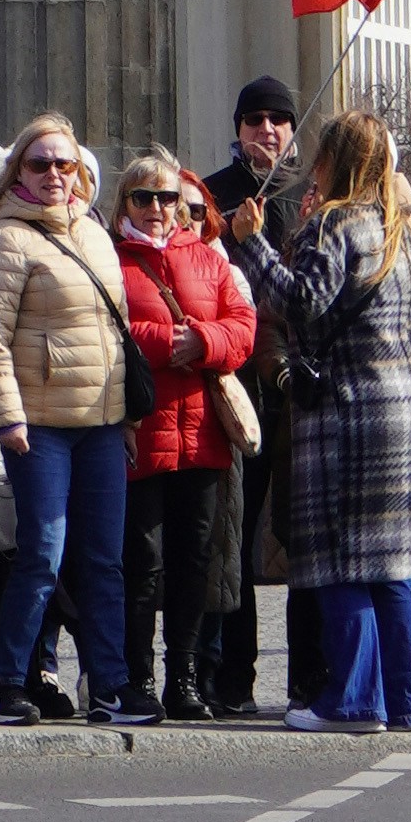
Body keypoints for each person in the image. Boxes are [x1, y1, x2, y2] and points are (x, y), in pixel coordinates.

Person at [233, 107, 411, 731]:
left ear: (332, 161)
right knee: (395, 564)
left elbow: (300, 303)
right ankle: (402, 703)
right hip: (408, 407)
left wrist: (251, 242)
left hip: (350, 410)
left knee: (342, 558)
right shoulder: (399, 231)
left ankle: (353, 702)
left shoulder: (338, 223)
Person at [0, 112, 136, 724]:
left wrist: (127, 418)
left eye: (65, 164)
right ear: (19, 171)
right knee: (42, 550)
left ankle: (112, 686)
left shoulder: (94, 233)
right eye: (40, 164)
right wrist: (7, 418)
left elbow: (111, 335)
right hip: (37, 423)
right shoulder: (4, 238)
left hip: (102, 420)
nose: (55, 175)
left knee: (103, 558)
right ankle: (5, 680)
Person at [114, 144, 257, 724]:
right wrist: (163, 341)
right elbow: (109, 328)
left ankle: (186, 677)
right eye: (143, 196)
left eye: (167, 197)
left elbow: (241, 327)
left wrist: (202, 341)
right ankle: (138, 677)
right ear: (125, 200)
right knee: (142, 559)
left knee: (195, 560)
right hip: (141, 429)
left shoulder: (207, 257)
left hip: (201, 434)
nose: (156, 207)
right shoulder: (110, 255)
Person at [202, 76, 304, 715]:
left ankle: (308, 681)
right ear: (238, 127)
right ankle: (231, 679)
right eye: (255, 119)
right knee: (232, 537)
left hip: (298, 392)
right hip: (237, 390)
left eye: (278, 120)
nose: (266, 130)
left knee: (301, 540)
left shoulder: (314, 196)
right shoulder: (212, 194)